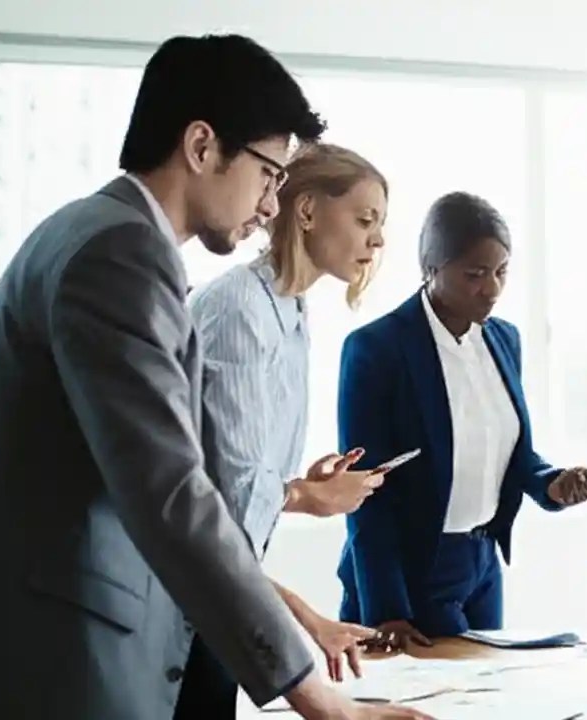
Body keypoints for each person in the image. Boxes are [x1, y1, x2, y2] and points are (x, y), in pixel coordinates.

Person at [0, 34, 428, 720]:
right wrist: (321, 698)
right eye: (270, 174)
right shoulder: (121, 254)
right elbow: (170, 493)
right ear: (201, 146)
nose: (272, 204)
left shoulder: (96, 234)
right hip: (42, 656)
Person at [337, 191, 587, 646]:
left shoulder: (503, 339)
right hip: (412, 572)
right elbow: (366, 491)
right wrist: (388, 611)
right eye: (474, 274)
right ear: (431, 269)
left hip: (482, 565)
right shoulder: (377, 349)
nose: (492, 289)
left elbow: (504, 447)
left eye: (501, 272)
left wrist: (549, 482)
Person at [190, 144, 391, 693]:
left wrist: (301, 487)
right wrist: (304, 497)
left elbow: (235, 501)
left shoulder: (291, 311)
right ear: (305, 212)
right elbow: (227, 508)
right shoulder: (241, 307)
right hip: (185, 609)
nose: (377, 240)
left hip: (218, 599)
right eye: (365, 219)